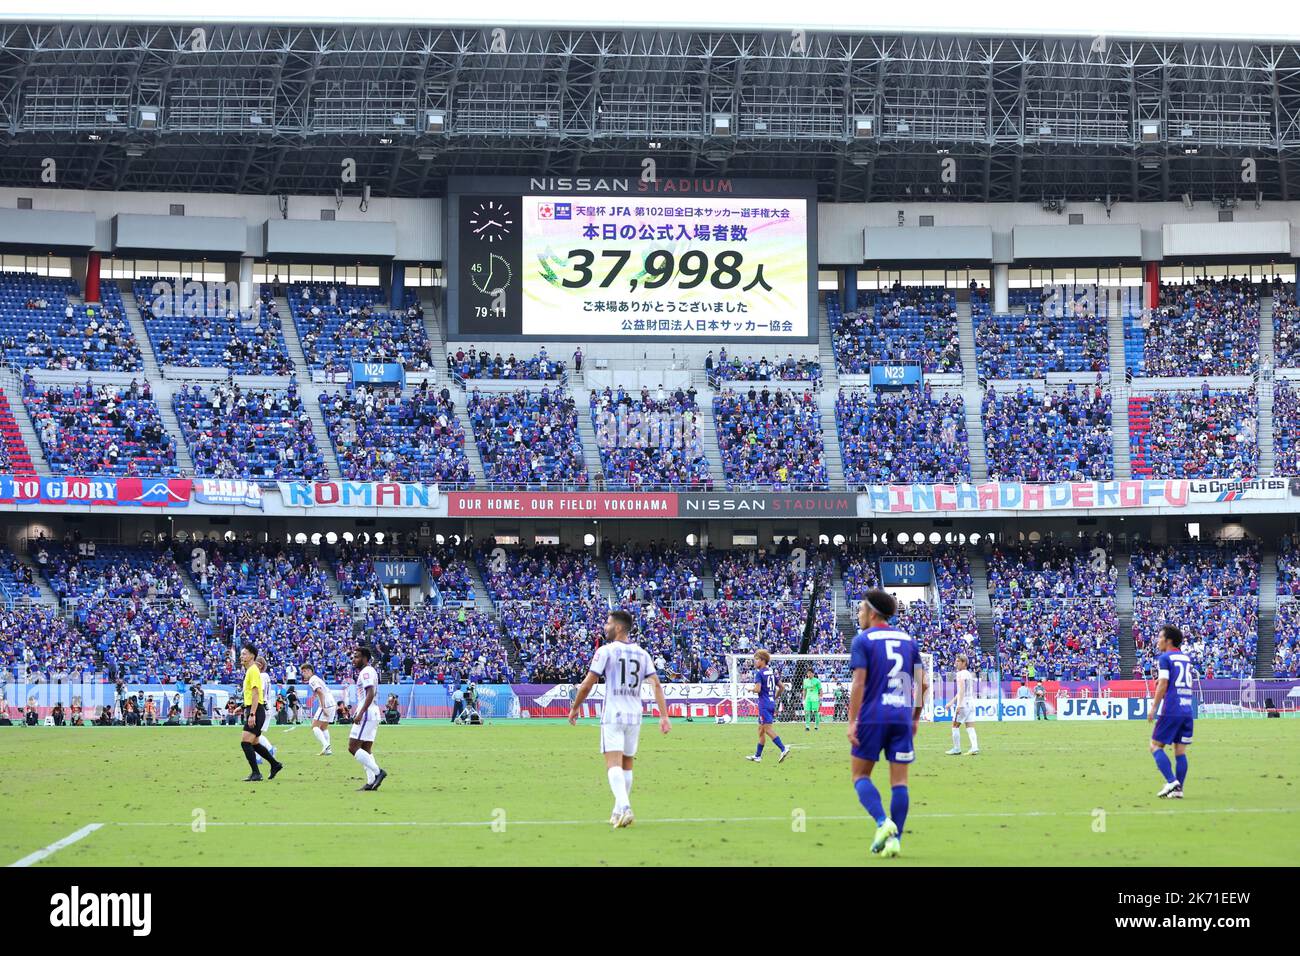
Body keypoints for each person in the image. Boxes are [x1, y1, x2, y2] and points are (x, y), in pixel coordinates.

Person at [567, 609, 671, 829]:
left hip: (613, 714)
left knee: (612, 763)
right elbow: (656, 685)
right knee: (627, 764)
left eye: (608, 623)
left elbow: (587, 684)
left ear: (619, 627)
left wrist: (575, 707)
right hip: (635, 715)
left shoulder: (606, 651)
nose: (605, 627)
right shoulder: (643, 654)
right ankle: (617, 811)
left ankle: (625, 807)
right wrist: (663, 715)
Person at [847, 589, 928, 859]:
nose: (859, 615)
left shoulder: (863, 640)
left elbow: (859, 682)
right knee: (900, 783)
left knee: (860, 776)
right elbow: (922, 684)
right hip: (901, 717)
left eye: (860, 610)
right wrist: (914, 718)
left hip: (872, 716)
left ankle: (883, 823)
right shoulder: (908, 640)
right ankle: (896, 841)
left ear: (871, 613)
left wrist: (852, 721)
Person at [1147, 624, 1193, 799]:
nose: (1158, 641)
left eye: (1160, 637)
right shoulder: (1185, 659)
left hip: (1172, 708)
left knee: (1154, 746)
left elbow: (1164, 684)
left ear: (1168, 640)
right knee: (1180, 751)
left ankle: (1172, 781)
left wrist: (1153, 707)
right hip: (1187, 709)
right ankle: (1179, 790)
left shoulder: (1165, 658)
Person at [238, 644, 283, 782]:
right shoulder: (250, 671)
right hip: (254, 708)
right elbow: (251, 694)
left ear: (252, 656)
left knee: (245, 742)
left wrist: (252, 714)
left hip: (256, 710)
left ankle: (256, 773)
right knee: (255, 743)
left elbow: (257, 692)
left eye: (244, 654)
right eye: (241, 654)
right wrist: (243, 706)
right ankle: (275, 764)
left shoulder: (253, 670)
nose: (242, 656)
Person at [349, 646, 388, 791]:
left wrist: (360, 712)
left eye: (357, 656)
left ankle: (378, 772)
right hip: (372, 713)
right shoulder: (369, 671)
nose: (354, 660)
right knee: (365, 749)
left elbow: (370, 693)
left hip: (367, 713)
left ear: (365, 658)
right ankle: (371, 781)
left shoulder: (366, 672)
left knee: (353, 747)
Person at [744, 649, 791, 763]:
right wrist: (774, 697)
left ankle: (783, 748)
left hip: (764, 705)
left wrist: (750, 689)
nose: (755, 662)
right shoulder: (770, 672)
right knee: (761, 730)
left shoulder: (759, 674)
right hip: (770, 703)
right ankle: (758, 756)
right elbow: (782, 687)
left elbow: (758, 689)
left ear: (762, 660)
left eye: (757, 659)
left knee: (767, 729)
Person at [945, 653, 980, 755]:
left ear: (964, 663)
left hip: (964, 703)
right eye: (956, 661)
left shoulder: (960, 674)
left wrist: (959, 705)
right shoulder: (968, 674)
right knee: (970, 726)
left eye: (958, 661)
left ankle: (957, 748)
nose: (956, 663)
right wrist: (951, 702)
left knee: (955, 726)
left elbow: (961, 691)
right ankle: (974, 747)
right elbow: (961, 690)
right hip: (971, 702)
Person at [301, 663, 335, 756]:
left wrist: (323, 707)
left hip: (326, 704)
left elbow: (320, 691)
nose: (303, 674)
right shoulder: (316, 678)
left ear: (309, 671)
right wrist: (314, 696)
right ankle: (328, 750)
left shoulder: (312, 680)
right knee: (324, 727)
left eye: (304, 671)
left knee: (314, 726)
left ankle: (326, 745)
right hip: (332, 703)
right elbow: (319, 691)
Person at [254, 656, 278, 767]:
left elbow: (261, 691)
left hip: (263, 704)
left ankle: (269, 749)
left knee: (254, 733)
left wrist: (259, 705)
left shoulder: (261, 676)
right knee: (256, 733)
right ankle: (260, 756)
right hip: (267, 704)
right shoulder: (266, 676)